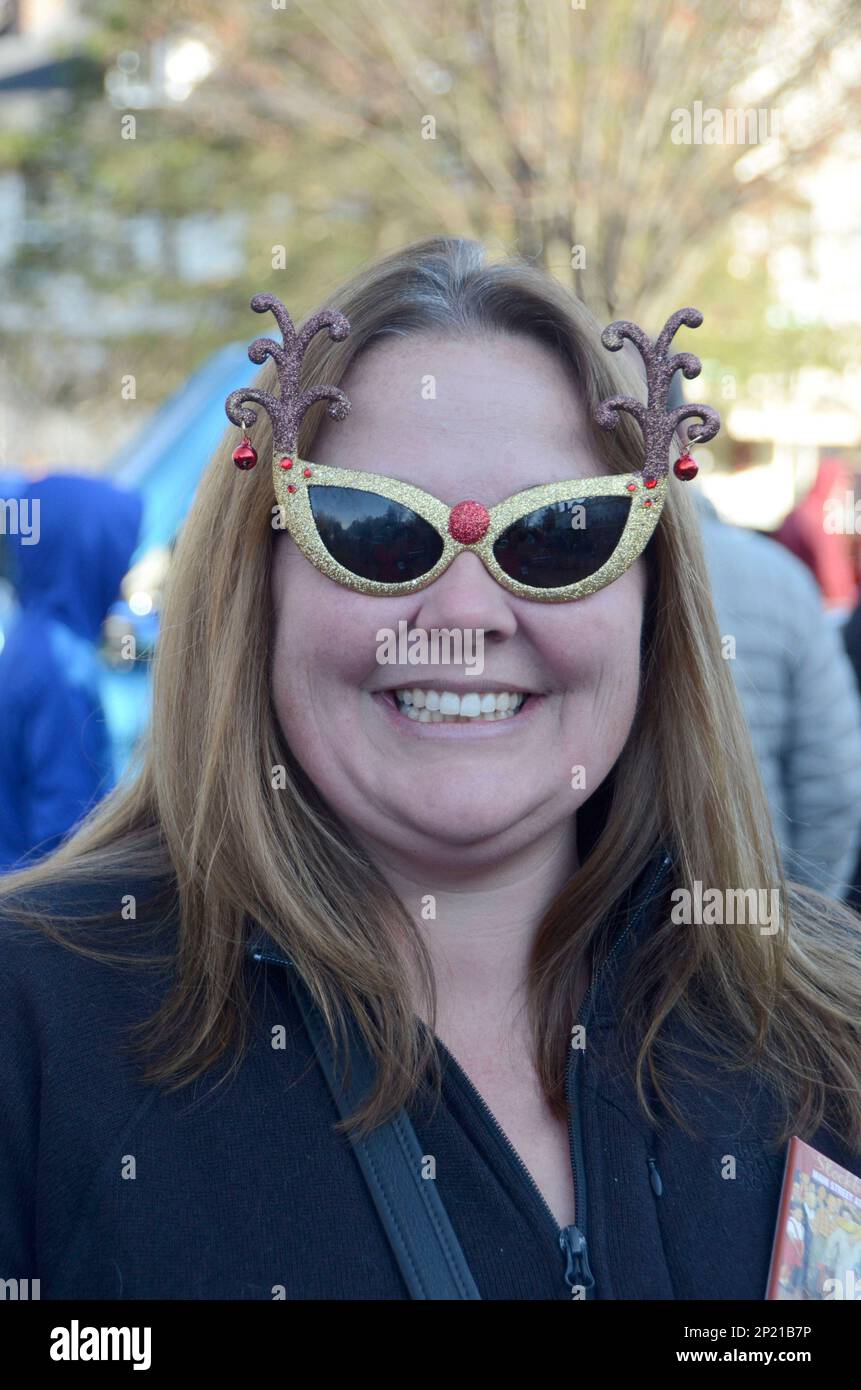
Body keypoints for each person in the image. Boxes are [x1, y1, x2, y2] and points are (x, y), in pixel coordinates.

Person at [1, 237, 860, 1301]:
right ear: (256, 589)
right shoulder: (32, 1032)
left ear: (651, 604)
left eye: (558, 536)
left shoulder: (830, 1029)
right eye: (372, 530)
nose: (463, 617)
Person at [694, 490, 861, 899]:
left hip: (599, 916)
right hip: (753, 895)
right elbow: (833, 783)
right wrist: (802, 919)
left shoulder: (586, 566)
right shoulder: (778, 576)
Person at [0, 474, 142, 873]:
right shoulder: (58, 664)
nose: (119, 579)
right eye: (113, 559)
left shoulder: (34, 634)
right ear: (85, 553)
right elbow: (66, 830)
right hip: (39, 909)